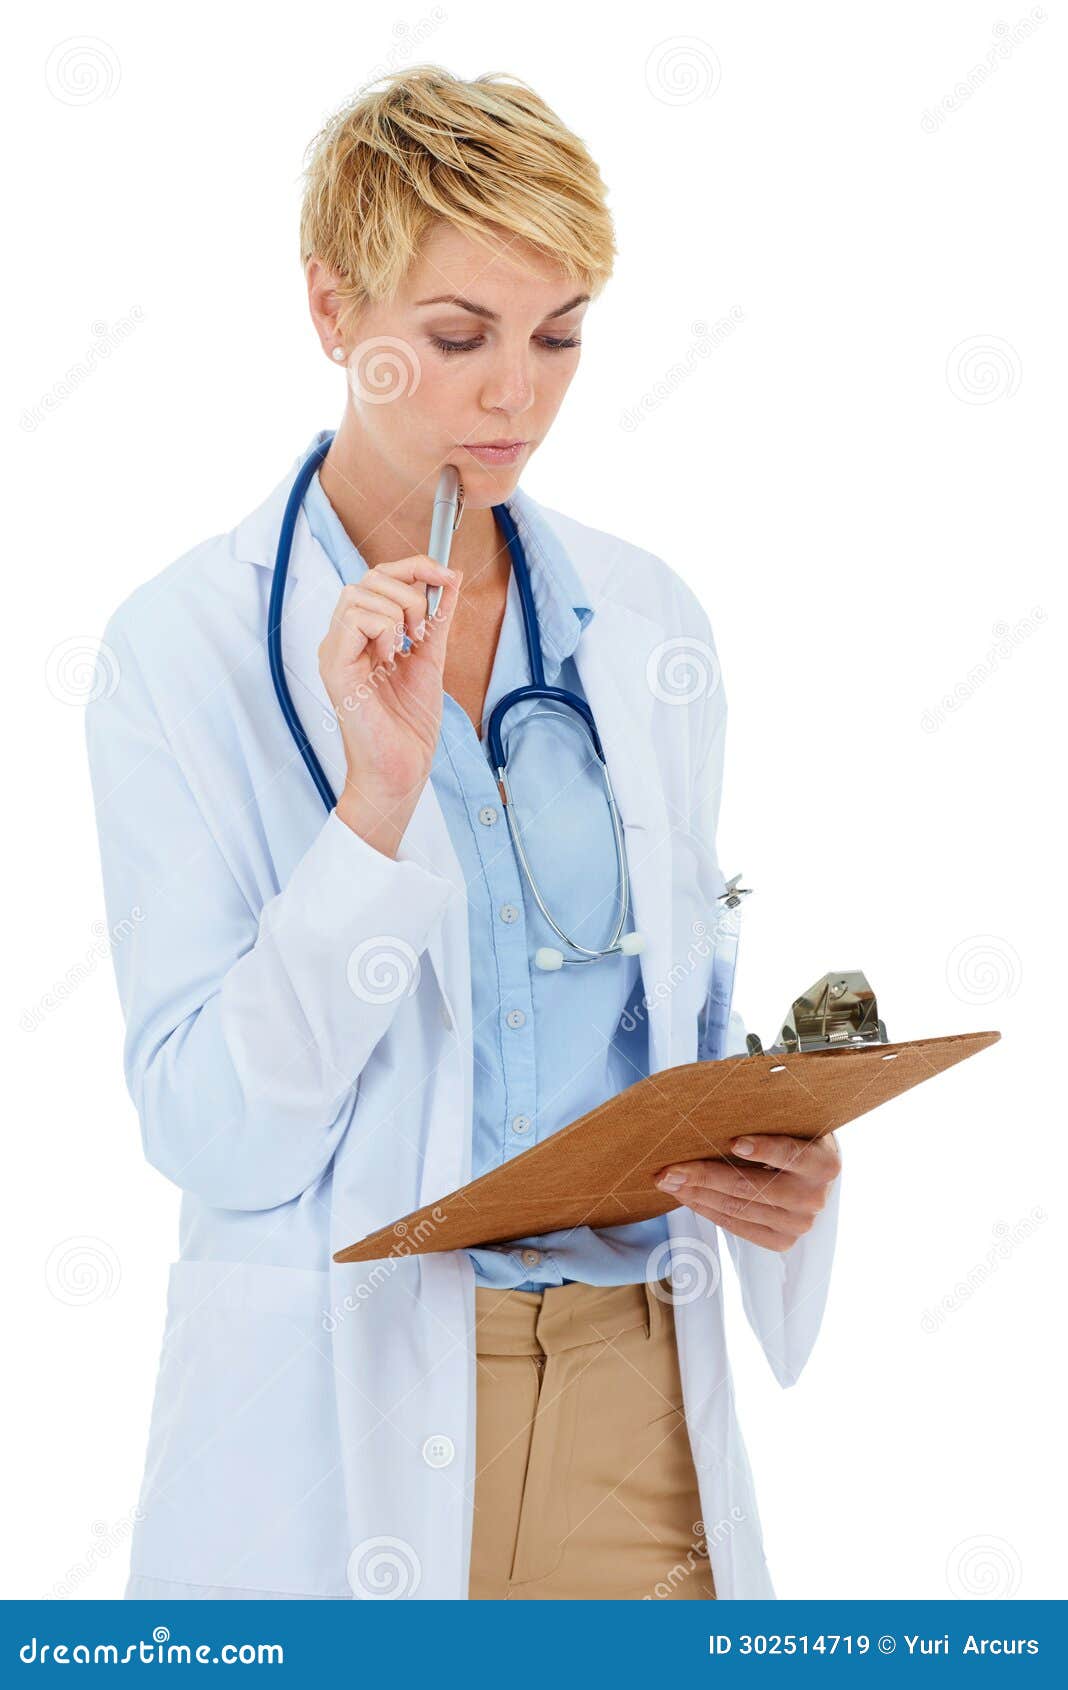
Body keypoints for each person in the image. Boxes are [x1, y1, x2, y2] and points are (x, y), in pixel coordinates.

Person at [85, 65, 841, 1602]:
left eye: (560, 335)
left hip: (641, 1406)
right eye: (456, 337)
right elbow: (209, 1129)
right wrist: (373, 808)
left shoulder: (643, 628)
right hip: (347, 1425)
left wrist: (780, 1162)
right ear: (329, 309)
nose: (518, 394)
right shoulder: (182, 650)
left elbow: (675, 1023)